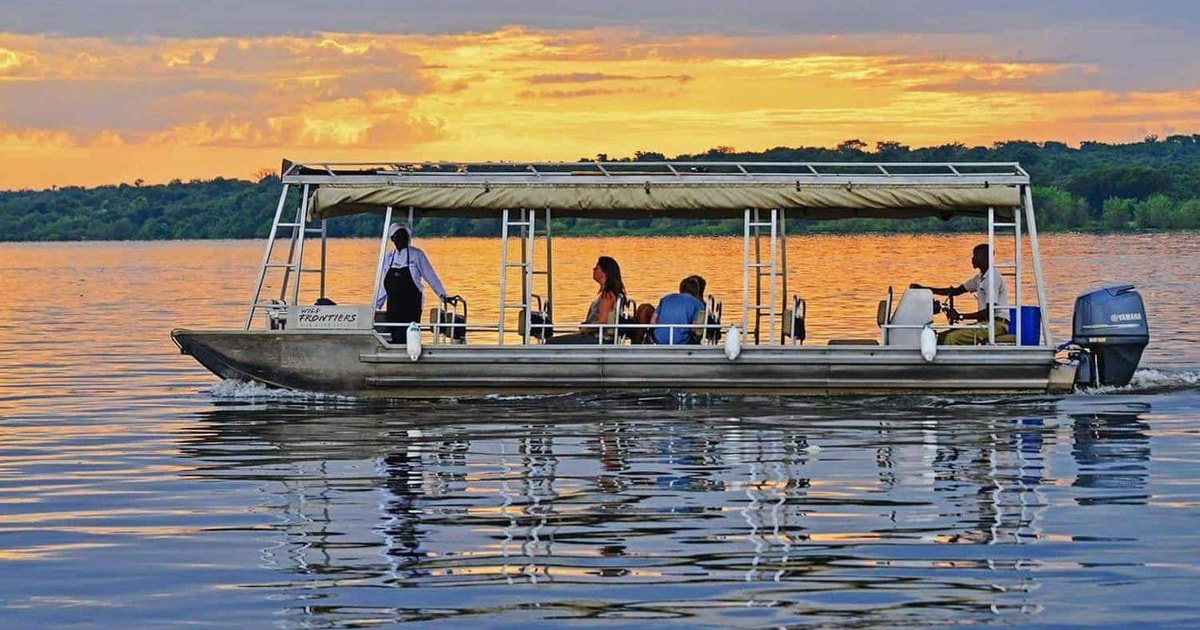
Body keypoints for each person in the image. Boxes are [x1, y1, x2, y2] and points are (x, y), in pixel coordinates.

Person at [911, 243, 1009, 345]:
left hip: (996, 325)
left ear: (985, 258)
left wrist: (960, 316)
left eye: (976, 256)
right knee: (941, 336)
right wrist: (925, 289)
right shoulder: (980, 277)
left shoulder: (992, 279)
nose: (972, 259)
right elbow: (956, 291)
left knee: (952, 338)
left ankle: (951, 361)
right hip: (985, 323)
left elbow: (989, 312)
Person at [374, 222, 447, 344]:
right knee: (396, 336)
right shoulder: (388, 257)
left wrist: (443, 295)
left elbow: (431, 276)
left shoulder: (417, 255)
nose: (403, 240)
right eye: (399, 237)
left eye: (405, 237)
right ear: (393, 239)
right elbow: (385, 285)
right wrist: (376, 305)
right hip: (393, 307)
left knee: (410, 337)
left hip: (411, 306)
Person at [548, 256, 626, 344]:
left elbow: (602, 321)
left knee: (551, 341)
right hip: (595, 336)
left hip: (598, 338)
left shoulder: (607, 295)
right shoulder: (608, 293)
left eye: (597, 268)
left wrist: (586, 328)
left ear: (604, 273)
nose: (593, 269)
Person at [652, 276, 706, 345]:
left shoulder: (666, 299)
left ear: (680, 289)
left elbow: (652, 322)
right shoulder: (698, 304)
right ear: (696, 291)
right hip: (681, 342)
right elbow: (695, 329)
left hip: (659, 340)